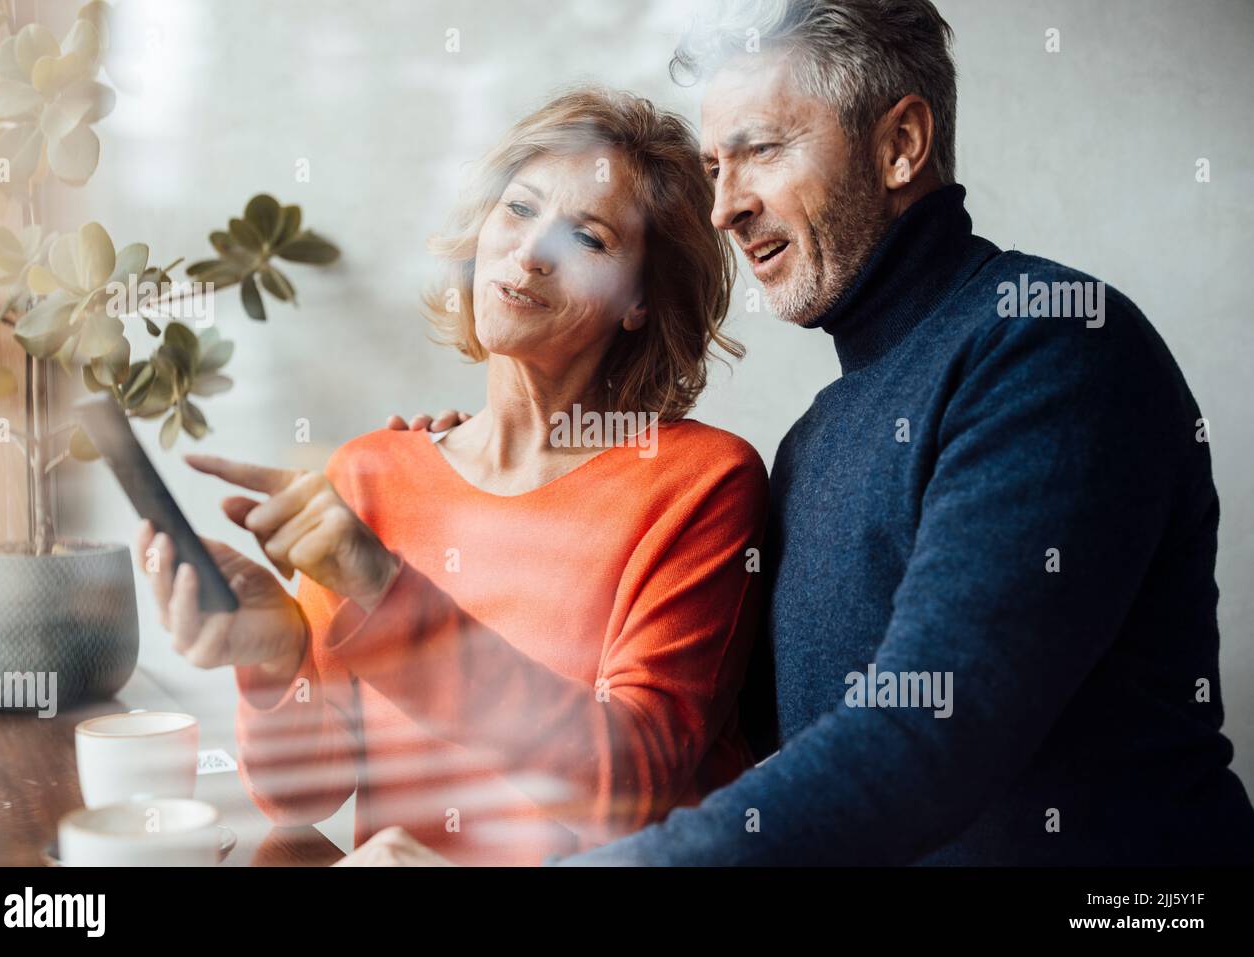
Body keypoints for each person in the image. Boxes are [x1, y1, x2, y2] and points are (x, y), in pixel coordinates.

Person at [395, 0, 1254, 866]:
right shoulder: (812, 444)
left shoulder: (1048, 346)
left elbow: (925, 734)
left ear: (900, 145)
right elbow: (688, 742)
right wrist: (464, 490)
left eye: (761, 150)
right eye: (714, 166)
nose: (726, 207)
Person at [134, 86, 770, 866]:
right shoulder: (371, 473)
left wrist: (383, 589)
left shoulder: (702, 482)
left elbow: (626, 783)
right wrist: (271, 657)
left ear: (639, 299)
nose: (531, 251)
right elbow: (302, 798)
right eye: (518, 208)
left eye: (588, 238)